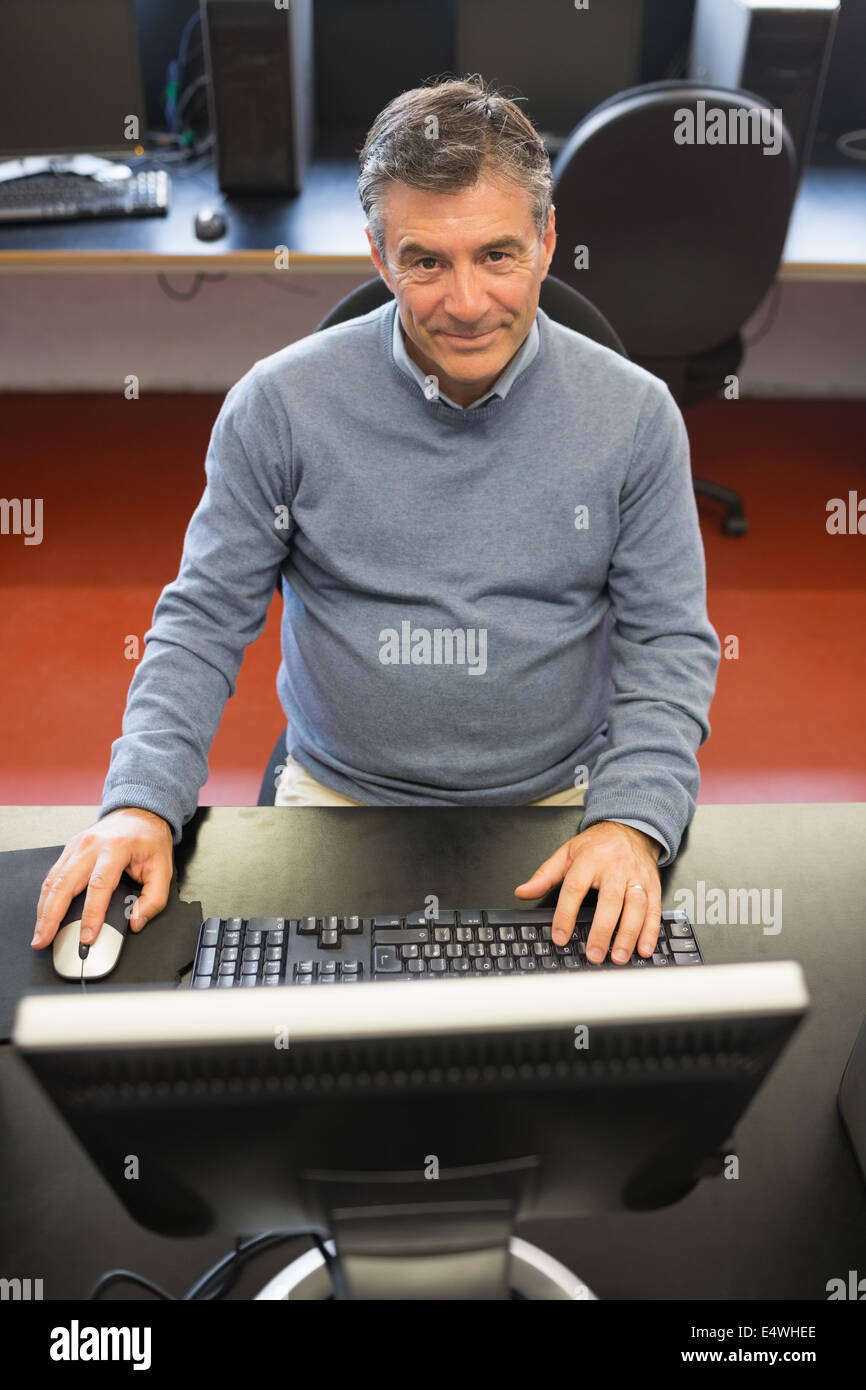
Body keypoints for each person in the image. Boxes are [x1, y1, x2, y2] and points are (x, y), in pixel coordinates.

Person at [32, 76, 721, 965]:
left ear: (549, 242)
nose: (467, 303)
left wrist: (631, 819)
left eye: (498, 256)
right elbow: (203, 621)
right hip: (339, 798)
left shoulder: (636, 417)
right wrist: (139, 800)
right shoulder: (277, 407)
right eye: (426, 261)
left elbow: (670, 641)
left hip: (561, 802)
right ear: (378, 254)